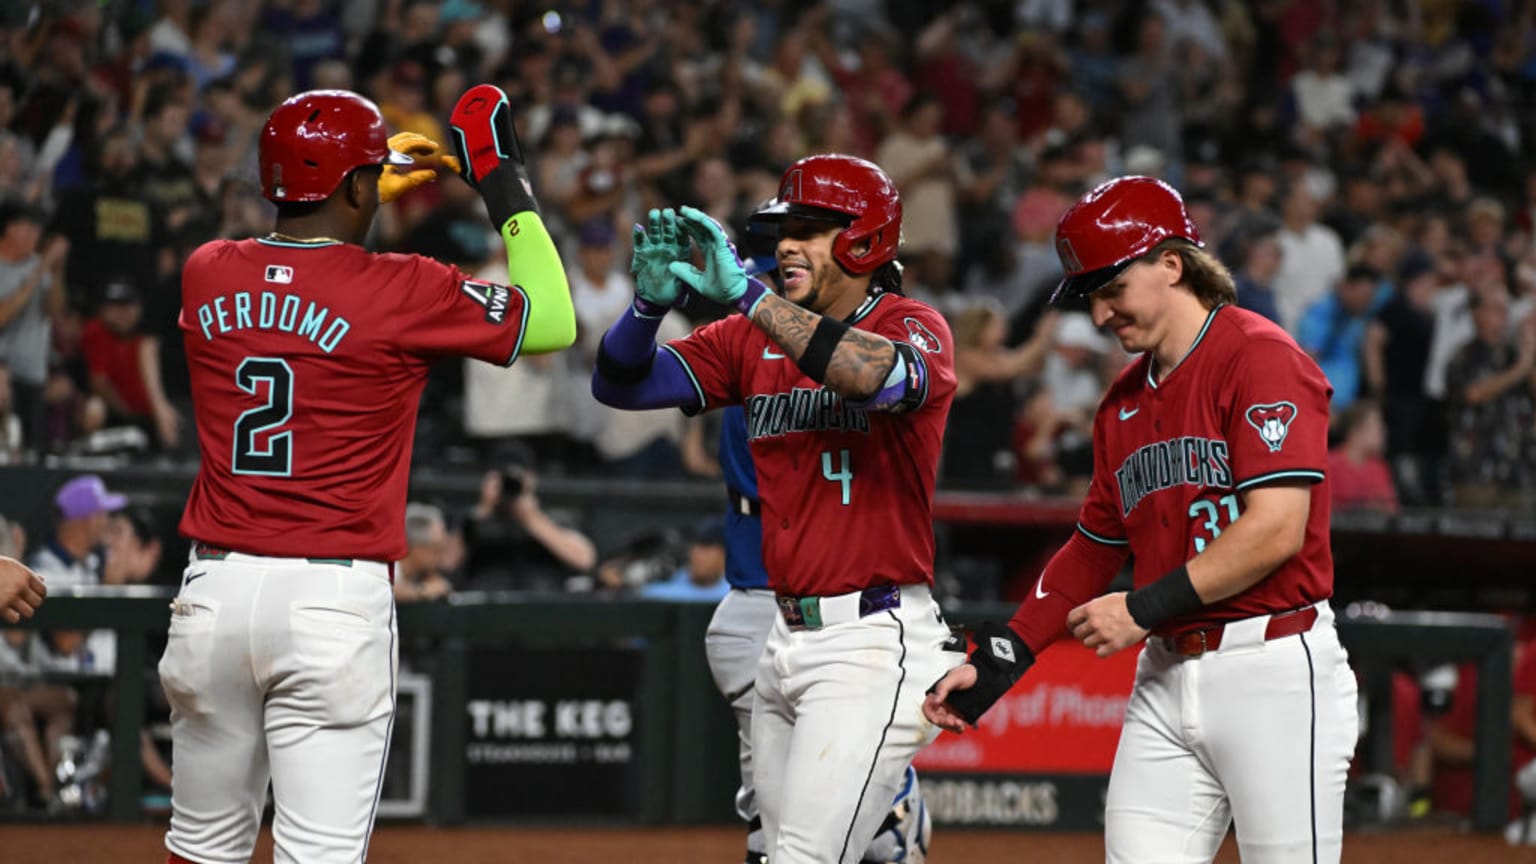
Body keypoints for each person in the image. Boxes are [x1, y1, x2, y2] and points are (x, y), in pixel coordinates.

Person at [161, 85, 575, 864]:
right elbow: (551, 315)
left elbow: (298, 260)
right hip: (329, 597)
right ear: (358, 185)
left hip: (213, 591)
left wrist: (354, 185)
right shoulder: (403, 287)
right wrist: (501, 180)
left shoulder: (207, 270)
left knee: (201, 850)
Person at [925, 176, 1359, 863]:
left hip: (1272, 667)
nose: (1100, 316)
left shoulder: (1260, 357)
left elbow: (1277, 528)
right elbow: (1094, 546)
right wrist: (1006, 656)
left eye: (1110, 291)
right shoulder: (1121, 402)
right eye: (1091, 299)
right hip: (1163, 676)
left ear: (1171, 264)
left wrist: (1142, 607)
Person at [592, 154, 960, 864]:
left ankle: (897, 821)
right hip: (784, 638)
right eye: (782, 229)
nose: (787, 243)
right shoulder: (748, 337)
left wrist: (749, 298)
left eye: (810, 229)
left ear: (864, 240)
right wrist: (646, 309)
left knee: (803, 856)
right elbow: (621, 385)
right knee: (777, 851)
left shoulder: (915, 323)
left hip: (873, 635)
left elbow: (870, 376)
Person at [704, 405, 933, 864]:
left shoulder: (835, 360)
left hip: (823, 609)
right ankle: (893, 808)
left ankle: (891, 807)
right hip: (769, 603)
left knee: (799, 832)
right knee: (790, 831)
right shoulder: (753, 350)